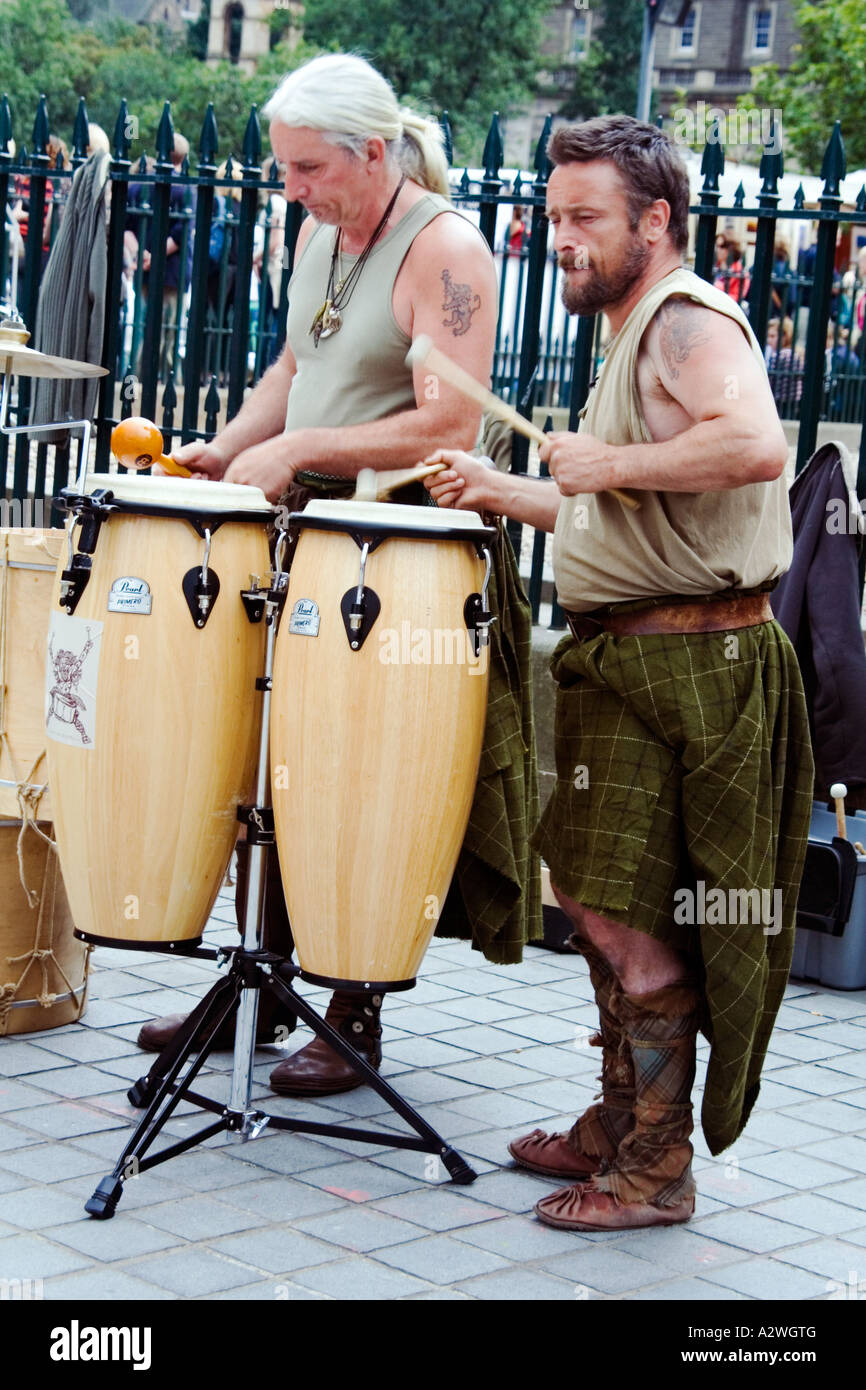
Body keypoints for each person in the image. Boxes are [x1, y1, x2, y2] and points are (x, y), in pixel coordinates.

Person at [425, 114, 814, 1231]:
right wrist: (501, 492)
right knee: (599, 904)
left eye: (583, 218)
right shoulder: (630, 326)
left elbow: (751, 445)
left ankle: (654, 1169)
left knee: (641, 924)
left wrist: (609, 460)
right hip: (636, 656)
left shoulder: (686, 321)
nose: (561, 239)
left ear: (655, 220)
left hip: (696, 659)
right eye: (551, 220)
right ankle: (613, 1119)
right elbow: (627, 518)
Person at [136, 54, 540, 1097]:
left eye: (308, 167)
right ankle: (266, 984)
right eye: (284, 168)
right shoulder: (322, 235)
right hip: (308, 535)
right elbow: (290, 368)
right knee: (268, 762)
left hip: (391, 548)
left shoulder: (443, 248)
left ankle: (347, 1006)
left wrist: (301, 448)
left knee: (354, 776)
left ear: (373, 151)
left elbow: (449, 423)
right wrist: (227, 451)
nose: (292, 189)